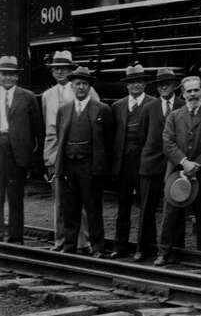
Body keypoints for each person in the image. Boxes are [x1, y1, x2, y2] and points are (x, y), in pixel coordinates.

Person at [157, 75, 201, 264]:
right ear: (182, 93)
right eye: (189, 91)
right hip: (176, 171)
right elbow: (167, 142)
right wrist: (184, 162)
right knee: (171, 214)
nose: (193, 94)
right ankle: (165, 252)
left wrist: (196, 164)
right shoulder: (174, 116)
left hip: (199, 171)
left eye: (196, 90)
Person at [41, 50, 96, 251]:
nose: (59, 72)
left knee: (81, 201)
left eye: (63, 69)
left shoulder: (85, 90)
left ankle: (85, 241)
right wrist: (49, 158)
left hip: (79, 155)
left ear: (70, 70)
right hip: (56, 154)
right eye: (56, 69)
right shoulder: (47, 96)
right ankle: (61, 240)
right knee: (59, 202)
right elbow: (48, 129)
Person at [54, 66, 112, 254]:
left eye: (84, 84)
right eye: (78, 84)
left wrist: (101, 168)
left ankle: (97, 247)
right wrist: (60, 166)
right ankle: (69, 245)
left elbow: (108, 141)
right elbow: (59, 136)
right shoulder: (64, 110)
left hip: (90, 165)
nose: (81, 87)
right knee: (70, 208)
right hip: (69, 164)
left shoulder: (101, 109)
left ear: (89, 87)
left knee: (93, 208)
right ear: (72, 86)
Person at [107, 63, 154, 257]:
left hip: (144, 163)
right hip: (123, 163)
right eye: (131, 82)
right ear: (126, 85)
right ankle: (120, 246)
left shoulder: (153, 104)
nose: (135, 85)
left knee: (146, 207)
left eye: (139, 82)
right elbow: (111, 138)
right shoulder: (117, 106)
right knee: (123, 207)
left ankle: (144, 248)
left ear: (145, 84)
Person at [136, 67, 182, 261]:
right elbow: (142, 136)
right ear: (156, 87)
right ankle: (143, 248)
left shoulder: (182, 105)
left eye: (168, 83)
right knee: (147, 208)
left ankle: (175, 250)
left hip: (173, 165)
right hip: (151, 163)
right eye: (160, 84)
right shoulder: (149, 108)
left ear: (174, 86)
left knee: (174, 208)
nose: (164, 87)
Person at [0, 54, 43, 244]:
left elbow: (36, 128)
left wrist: (31, 156)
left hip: (17, 152)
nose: (8, 78)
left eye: (11, 74)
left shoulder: (28, 97)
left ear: (17, 77)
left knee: (15, 195)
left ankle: (16, 237)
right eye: (4, 74)